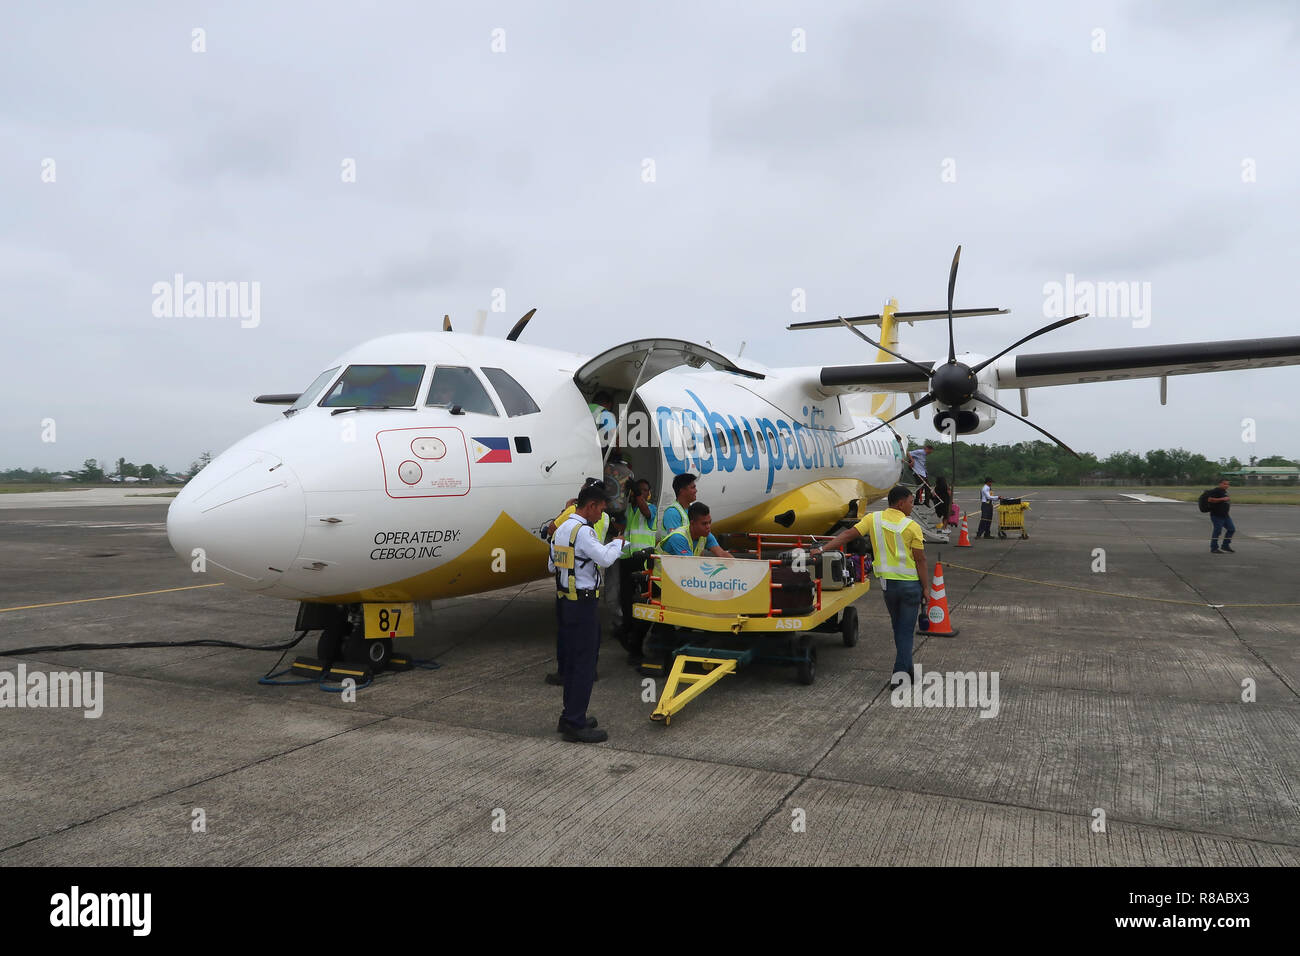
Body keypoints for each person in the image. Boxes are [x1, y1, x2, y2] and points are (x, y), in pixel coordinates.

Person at [812, 486, 928, 687]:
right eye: (911, 501)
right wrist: (926, 588)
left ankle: (907, 671)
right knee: (905, 631)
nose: (912, 505)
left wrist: (822, 549)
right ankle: (899, 676)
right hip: (910, 587)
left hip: (888, 587)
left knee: (899, 628)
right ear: (900, 503)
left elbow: (847, 535)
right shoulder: (912, 527)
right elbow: (921, 561)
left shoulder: (873, 519)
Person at [548, 482, 626, 743]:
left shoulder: (560, 530)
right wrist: (618, 543)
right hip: (582, 605)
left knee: (571, 662)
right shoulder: (583, 532)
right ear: (590, 506)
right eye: (601, 509)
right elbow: (604, 558)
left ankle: (569, 715)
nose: (602, 514)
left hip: (565, 602)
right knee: (584, 664)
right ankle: (575, 722)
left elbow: (551, 565)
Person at [543, 480, 610, 685]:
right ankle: (588, 671)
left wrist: (565, 510)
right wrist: (618, 544)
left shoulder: (570, 518)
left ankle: (569, 673)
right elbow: (604, 557)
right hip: (587, 583)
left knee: (568, 635)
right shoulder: (604, 518)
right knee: (589, 638)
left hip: (568, 588)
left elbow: (551, 531)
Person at [617, 479, 657, 663]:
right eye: (639, 491)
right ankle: (627, 632)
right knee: (626, 600)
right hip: (627, 560)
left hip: (643, 561)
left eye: (645, 491)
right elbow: (624, 529)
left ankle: (635, 642)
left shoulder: (650, 508)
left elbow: (645, 511)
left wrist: (637, 494)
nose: (643, 493)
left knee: (642, 601)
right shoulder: (628, 509)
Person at [658, 501, 733, 557]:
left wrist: (739, 567)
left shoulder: (706, 535)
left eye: (710, 522)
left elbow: (722, 554)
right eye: (704, 523)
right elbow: (691, 565)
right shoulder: (679, 537)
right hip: (660, 576)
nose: (708, 526)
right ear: (692, 523)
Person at [655, 472, 698, 544]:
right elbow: (676, 542)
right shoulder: (672, 512)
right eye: (693, 487)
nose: (696, 490)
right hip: (679, 554)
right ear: (682, 491)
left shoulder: (694, 510)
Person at [1207, 478, 1235, 554]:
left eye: (1228, 484)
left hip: (1225, 515)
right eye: (1225, 484)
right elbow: (1210, 499)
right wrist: (1223, 499)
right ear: (1220, 484)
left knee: (1231, 529)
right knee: (1217, 531)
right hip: (1217, 515)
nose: (1227, 485)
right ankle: (1214, 548)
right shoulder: (1216, 491)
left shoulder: (1224, 491)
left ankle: (1225, 546)